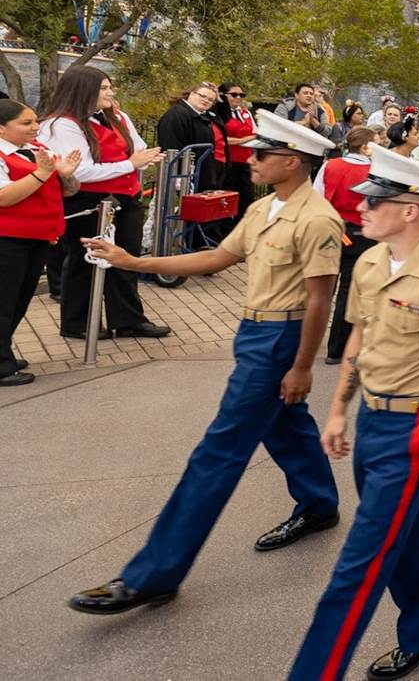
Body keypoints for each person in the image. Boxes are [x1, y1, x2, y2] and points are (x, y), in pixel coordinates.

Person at [67, 112, 343, 616]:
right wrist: (134, 261)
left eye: (262, 153)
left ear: (293, 161)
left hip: (282, 337)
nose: (251, 159)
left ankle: (153, 575)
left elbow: (321, 298)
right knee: (286, 426)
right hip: (254, 332)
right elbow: (216, 259)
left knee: (216, 454)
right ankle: (321, 504)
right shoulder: (265, 211)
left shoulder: (318, 218)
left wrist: (302, 367)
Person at [288, 145, 419, 681]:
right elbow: (359, 335)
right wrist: (337, 411)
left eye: (374, 200)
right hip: (373, 420)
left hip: (417, 428)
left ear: (410, 211)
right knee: (413, 529)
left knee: (360, 564)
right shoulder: (372, 260)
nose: (360, 207)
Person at [38, 66, 169, 340]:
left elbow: (139, 145)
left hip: (125, 197)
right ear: (85, 91)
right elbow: (80, 170)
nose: (111, 93)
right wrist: (129, 164)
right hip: (87, 201)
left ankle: (128, 319)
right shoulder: (61, 124)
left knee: (126, 260)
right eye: (105, 88)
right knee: (84, 262)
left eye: (110, 87)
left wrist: (139, 160)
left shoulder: (117, 116)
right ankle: (77, 323)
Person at [0, 99, 80, 387]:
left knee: (19, 300)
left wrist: (65, 176)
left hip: (37, 237)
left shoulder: (38, 151)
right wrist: (42, 174)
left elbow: (65, 191)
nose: (35, 128)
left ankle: (3, 352)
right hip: (7, 239)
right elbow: (4, 197)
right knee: (4, 302)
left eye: (35, 121)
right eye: (26, 123)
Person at [313, 126, 375, 366]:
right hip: (360, 233)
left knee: (322, 289)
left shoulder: (330, 165)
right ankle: (336, 349)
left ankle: (307, 340)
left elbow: (317, 196)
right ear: (364, 147)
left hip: (331, 229)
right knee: (348, 292)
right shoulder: (374, 171)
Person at [155, 81, 228, 189]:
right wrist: (179, 176)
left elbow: (225, 113)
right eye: (202, 96)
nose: (206, 100)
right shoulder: (176, 115)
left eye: (210, 100)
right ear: (191, 94)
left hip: (203, 174)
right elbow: (171, 146)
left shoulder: (200, 115)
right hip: (187, 176)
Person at [219, 83, 256, 224]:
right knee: (228, 199)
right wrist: (241, 140)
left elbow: (255, 133)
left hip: (245, 162)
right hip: (228, 163)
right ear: (223, 95)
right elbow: (219, 138)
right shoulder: (221, 114)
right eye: (234, 94)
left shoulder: (246, 113)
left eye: (241, 95)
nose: (238, 97)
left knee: (247, 198)